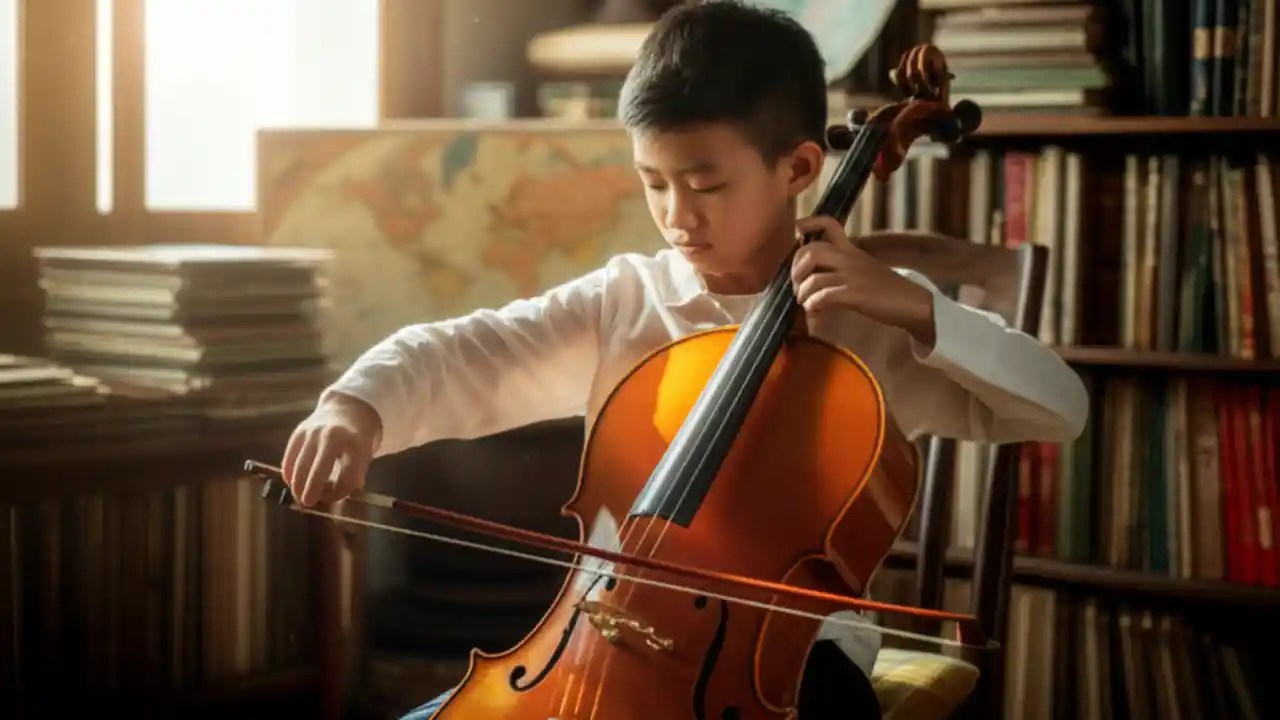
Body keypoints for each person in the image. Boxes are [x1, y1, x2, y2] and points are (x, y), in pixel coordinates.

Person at [281, 2, 1089, 717]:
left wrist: (919, 309)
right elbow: (461, 351)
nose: (676, 216)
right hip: (598, 636)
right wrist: (355, 407)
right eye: (653, 182)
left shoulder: (874, 319)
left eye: (704, 184)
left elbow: (1059, 406)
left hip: (797, 663)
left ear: (801, 169)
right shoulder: (624, 302)